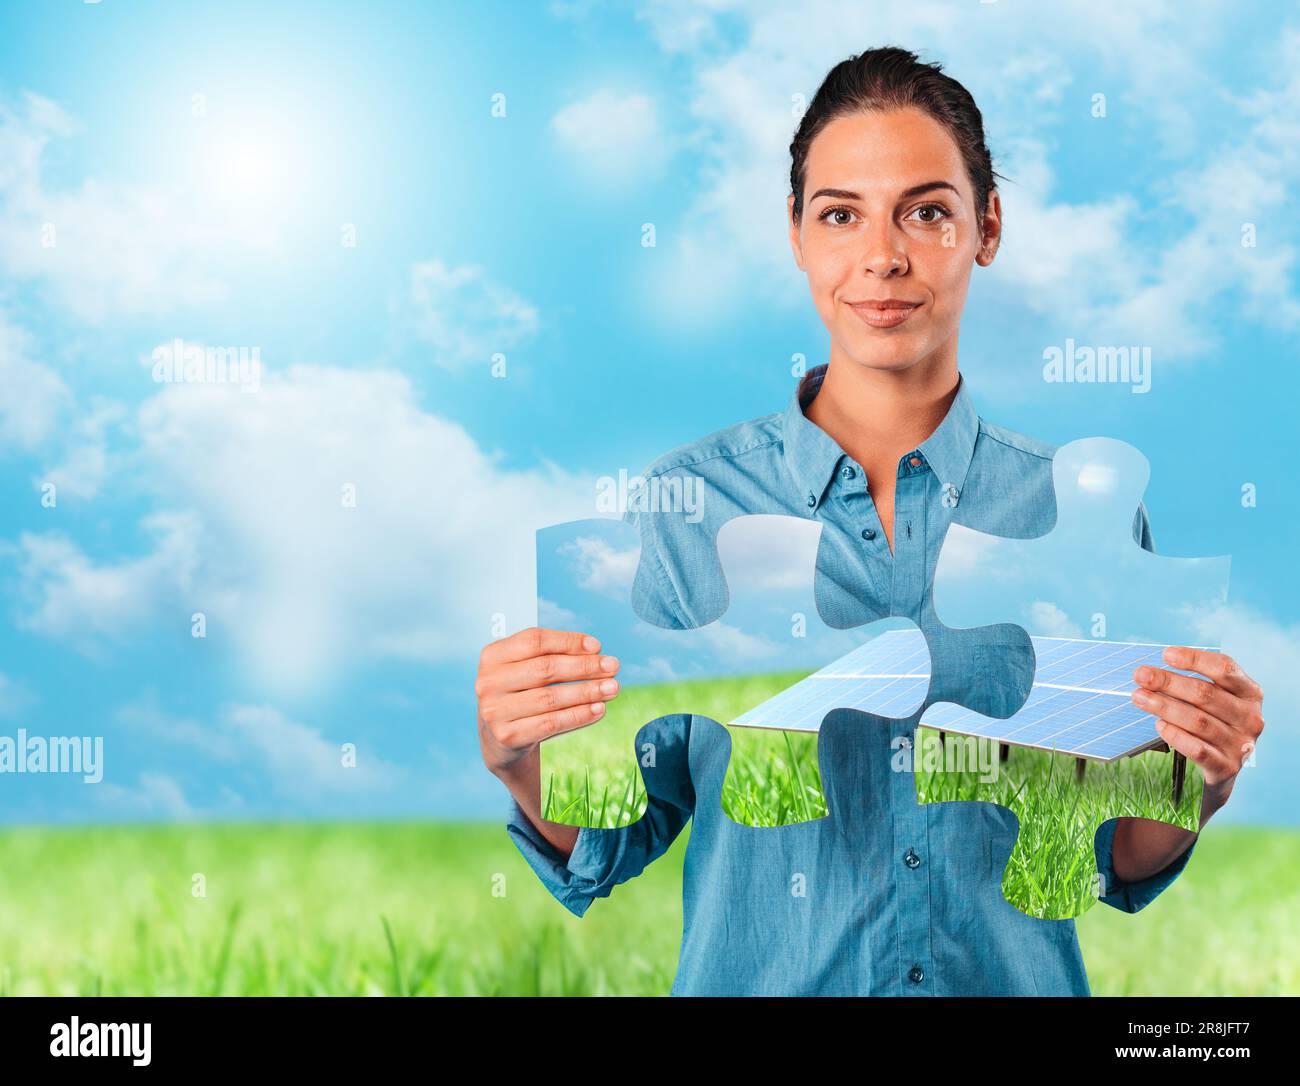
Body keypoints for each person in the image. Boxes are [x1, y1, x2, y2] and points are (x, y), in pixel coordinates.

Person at [473, 46, 1266, 995]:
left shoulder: (1077, 509)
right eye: (840, 214)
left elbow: (1108, 855)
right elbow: (614, 832)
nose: (882, 255)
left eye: (926, 212)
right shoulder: (691, 503)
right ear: (799, 237)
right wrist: (522, 761)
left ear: (988, 228)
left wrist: (1201, 784)